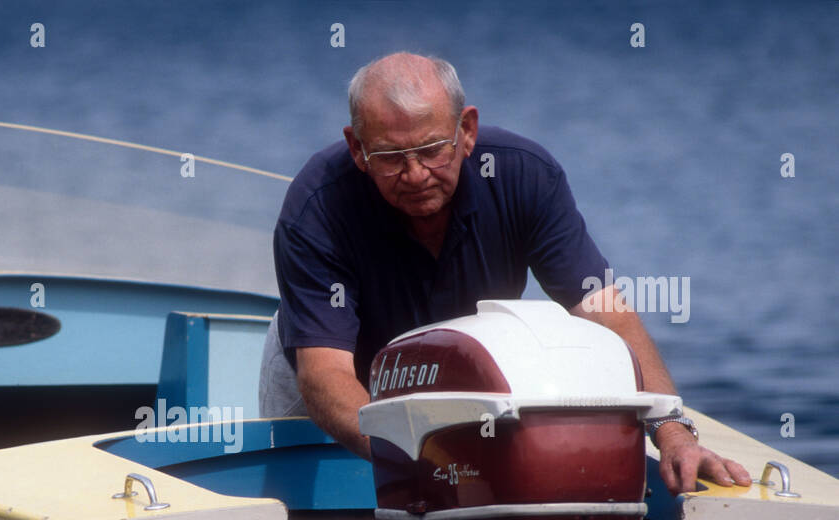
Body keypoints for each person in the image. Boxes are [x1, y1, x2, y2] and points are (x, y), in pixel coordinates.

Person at [260, 52, 750, 495]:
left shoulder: (524, 177)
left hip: (461, 365)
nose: (414, 174)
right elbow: (325, 372)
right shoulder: (315, 209)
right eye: (390, 157)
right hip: (337, 368)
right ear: (356, 148)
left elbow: (607, 315)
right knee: (324, 508)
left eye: (433, 150)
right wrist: (417, 458)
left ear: (467, 131)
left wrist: (671, 431)